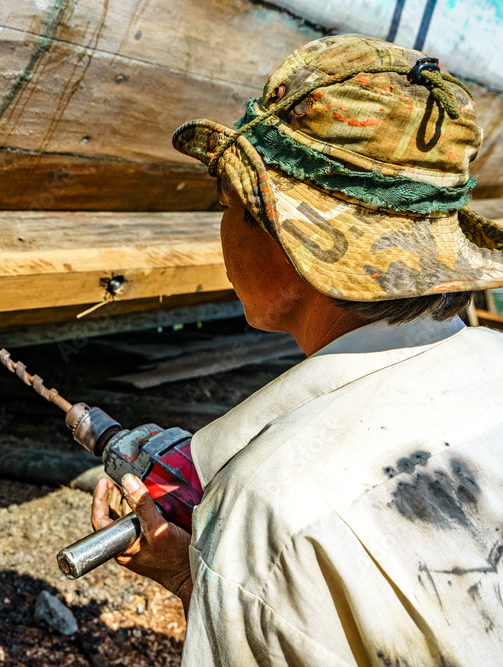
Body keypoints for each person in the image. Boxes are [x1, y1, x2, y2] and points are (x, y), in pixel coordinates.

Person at [90, 33, 503, 665]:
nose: (221, 230)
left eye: (227, 203)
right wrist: (192, 575)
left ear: (290, 243)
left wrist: (218, 578)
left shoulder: (268, 512)